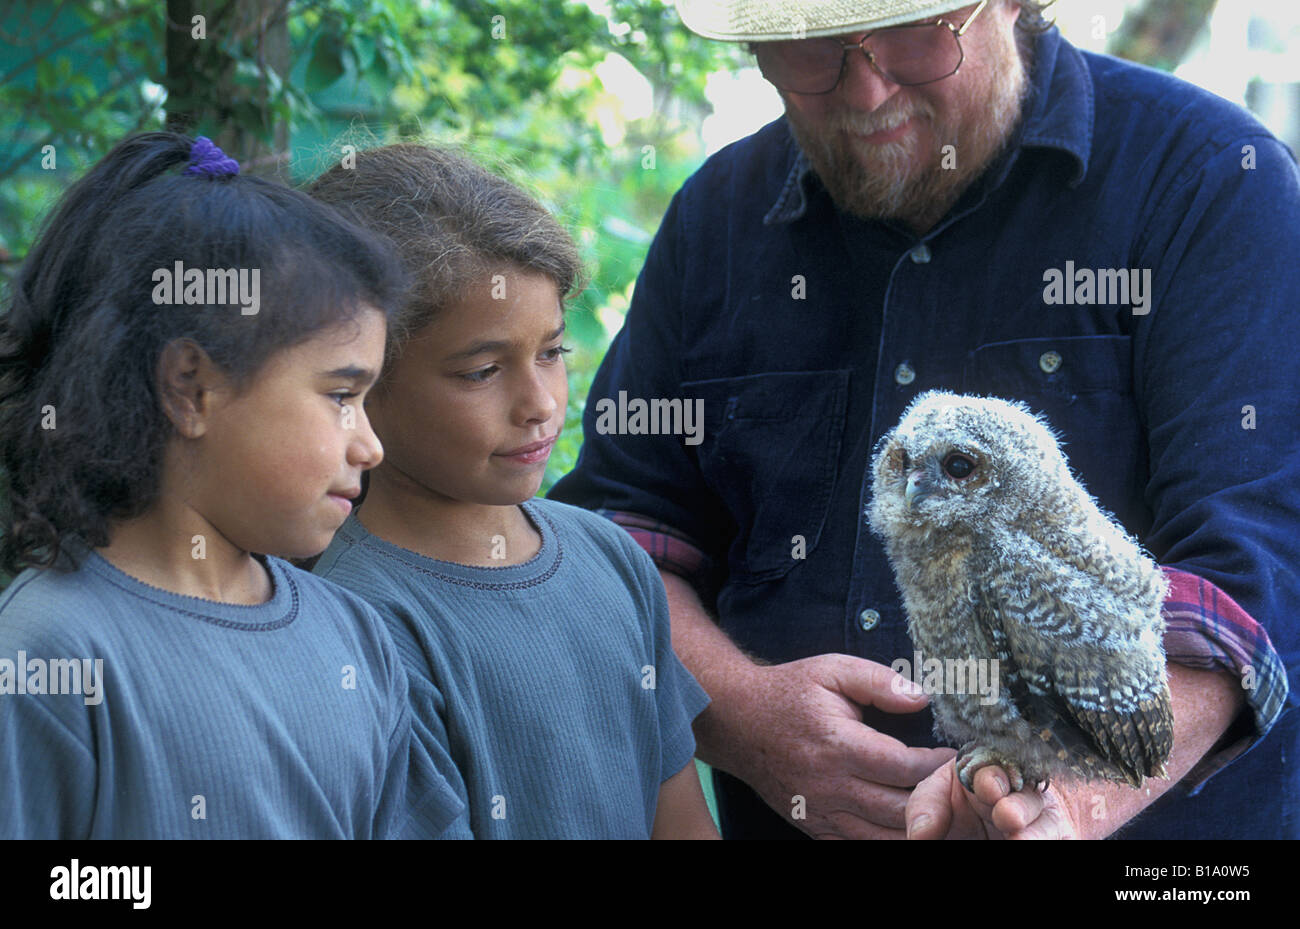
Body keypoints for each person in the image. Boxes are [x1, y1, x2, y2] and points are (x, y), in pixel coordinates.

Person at [549, 0, 1298, 839]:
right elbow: (612, 543)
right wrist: (742, 712)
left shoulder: (1207, 179)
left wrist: (1061, 811)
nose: (866, 93)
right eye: (814, 52)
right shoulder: (715, 220)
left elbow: (1263, 557)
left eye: (915, 35)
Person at [0, 131, 464, 838]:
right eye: (341, 394)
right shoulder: (48, 652)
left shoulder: (354, 638)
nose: (370, 444)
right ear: (193, 388)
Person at [308, 144, 718, 839]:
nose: (540, 403)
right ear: (363, 379)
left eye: (551, 353)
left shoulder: (612, 561)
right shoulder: (351, 623)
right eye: (482, 371)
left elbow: (679, 821)